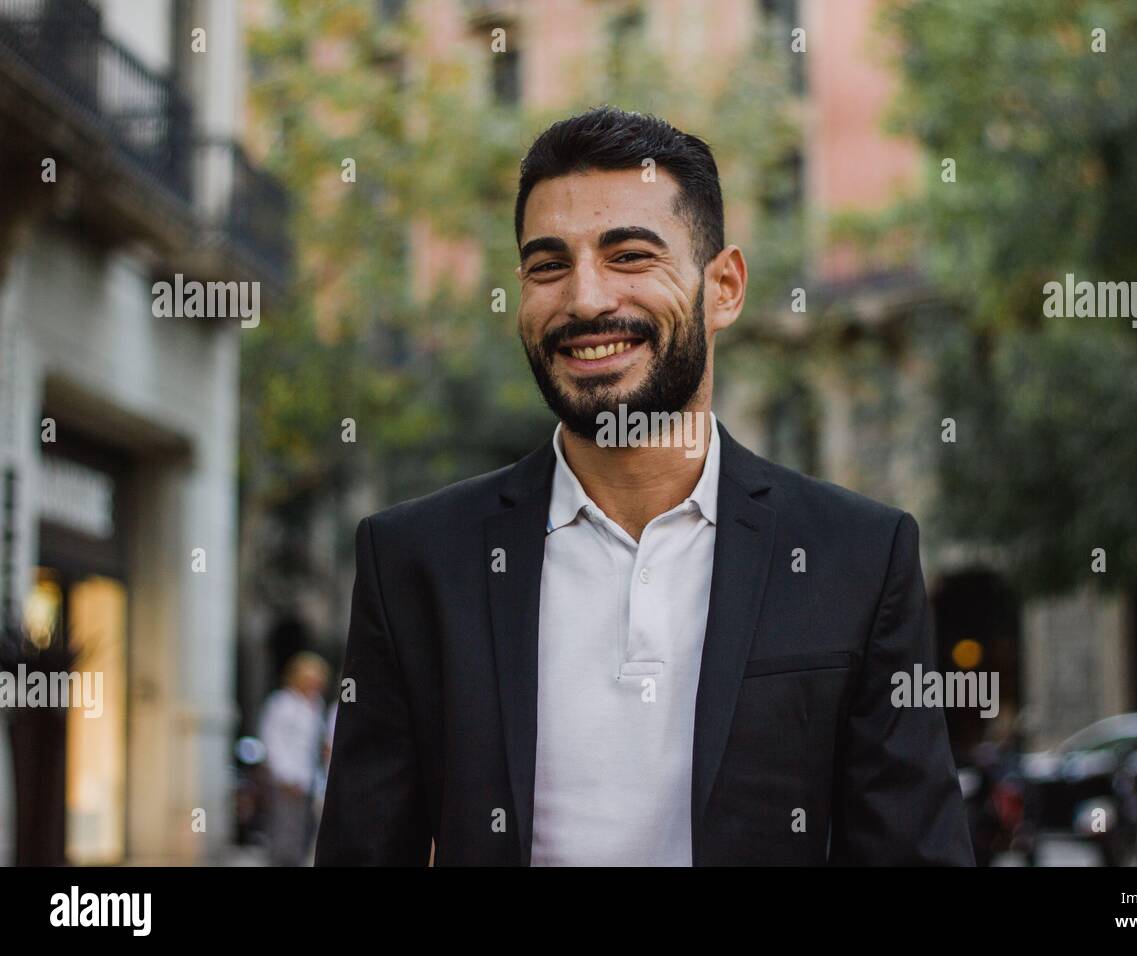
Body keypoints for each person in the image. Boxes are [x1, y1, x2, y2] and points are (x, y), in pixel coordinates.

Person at [316, 106, 973, 866]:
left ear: (723, 287)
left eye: (629, 255)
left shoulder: (858, 556)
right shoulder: (414, 562)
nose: (586, 299)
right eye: (548, 265)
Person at [259, 651, 328, 866]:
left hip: (308, 777)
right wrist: (284, 775)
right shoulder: (281, 703)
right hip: (286, 778)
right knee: (284, 829)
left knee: (302, 830)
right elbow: (272, 740)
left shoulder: (316, 705)